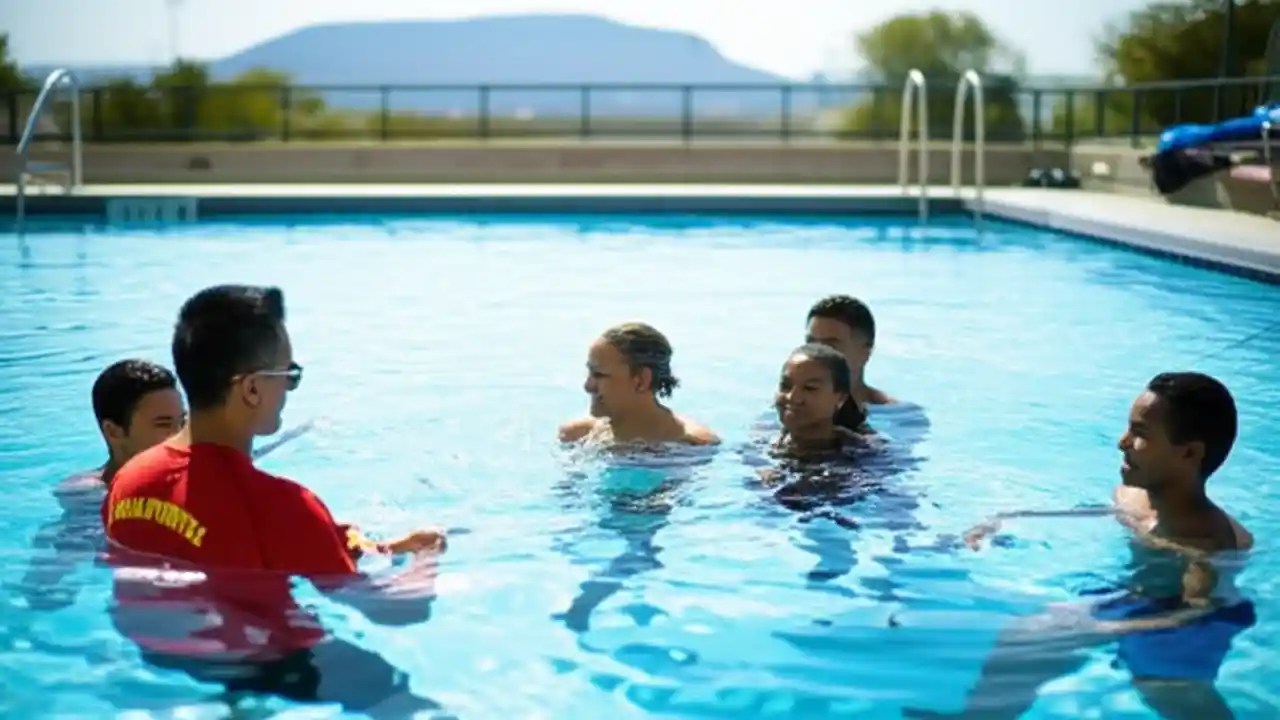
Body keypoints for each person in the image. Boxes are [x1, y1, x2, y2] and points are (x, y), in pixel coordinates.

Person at [100, 284, 446, 714]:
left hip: (159, 649)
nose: (288, 391)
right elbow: (398, 612)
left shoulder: (128, 480)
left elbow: (208, 543)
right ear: (250, 390)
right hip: (264, 664)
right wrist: (427, 555)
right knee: (405, 699)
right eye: (289, 376)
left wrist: (379, 547)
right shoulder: (286, 506)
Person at [925, 372, 1254, 720]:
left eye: (1140, 434)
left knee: (1166, 688)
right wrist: (1008, 516)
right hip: (1132, 598)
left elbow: (1198, 609)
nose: (1122, 442)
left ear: (1189, 453)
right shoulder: (1134, 498)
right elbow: (1106, 511)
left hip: (1183, 621)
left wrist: (1110, 630)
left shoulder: (1203, 542)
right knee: (1024, 639)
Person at [19, 360, 185, 612]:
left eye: (182, 422)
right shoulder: (91, 494)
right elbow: (42, 591)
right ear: (113, 431)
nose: (181, 436)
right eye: (163, 425)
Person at [558, 322, 718, 447]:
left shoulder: (694, 446)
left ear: (641, 380)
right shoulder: (575, 436)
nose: (588, 386)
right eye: (590, 374)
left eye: (599, 375)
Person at [804, 295, 894, 427]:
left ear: (865, 352)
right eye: (811, 343)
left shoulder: (895, 415)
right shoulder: (791, 406)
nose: (816, 354)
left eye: (831, 346)